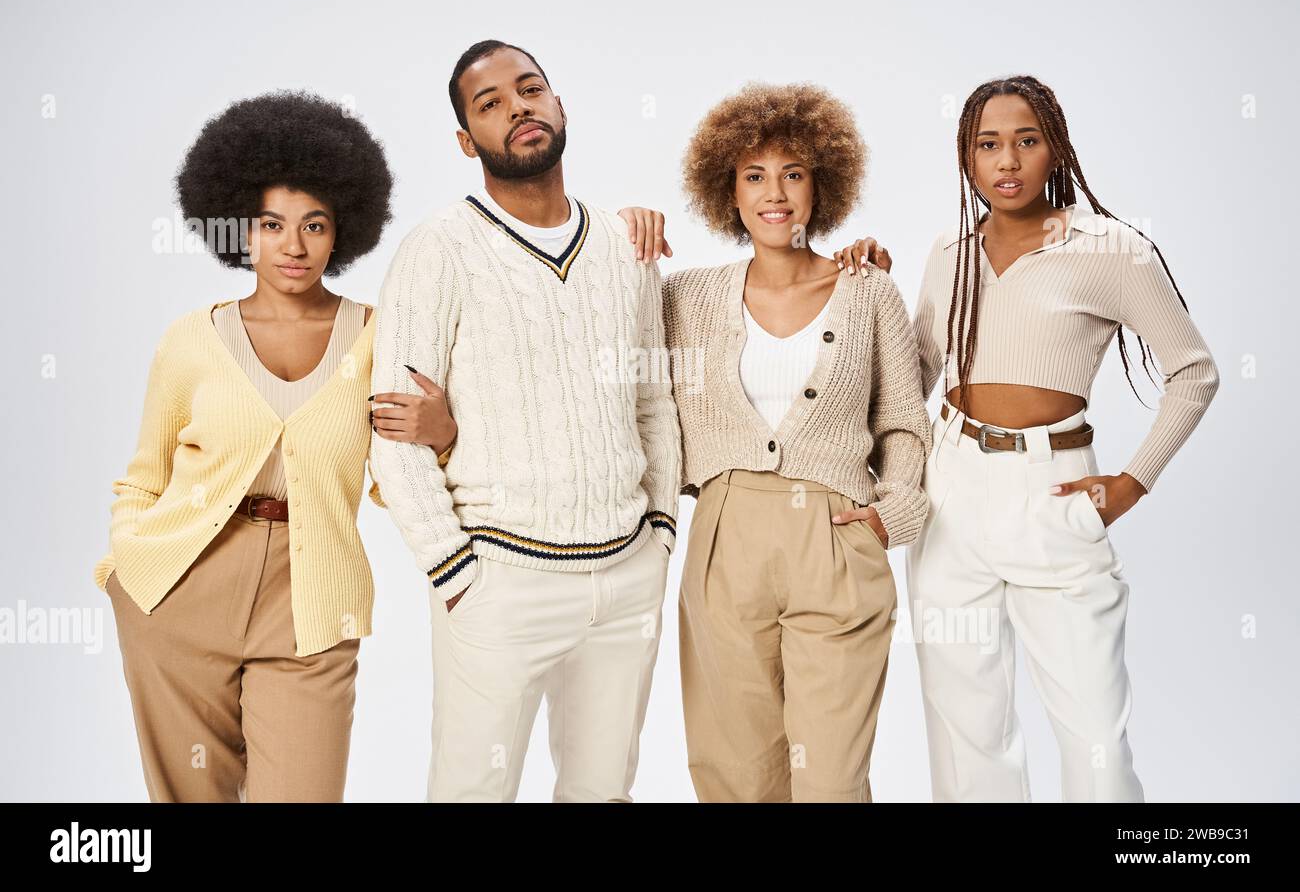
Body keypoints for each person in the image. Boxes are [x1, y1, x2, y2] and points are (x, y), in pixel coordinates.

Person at [836, 75, 1220, 802]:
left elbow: (1193, 373)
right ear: (968, 160)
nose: (1006, 160)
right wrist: (871, 293)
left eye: (1026, 140)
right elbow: (913, 372)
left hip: (1055, 492)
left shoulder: (1113, 249)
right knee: (966, 730)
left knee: (1096, 737)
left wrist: (1131, 483)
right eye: (988, 144)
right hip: (950, 491)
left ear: (1056, 151)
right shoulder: (950, 252)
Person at [93, 90, 454, 802]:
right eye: (271, 224)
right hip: (178, 593)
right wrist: (124, 570)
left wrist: (442, 436)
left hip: (312, 602)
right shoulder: (191, 340)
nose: (293, 246)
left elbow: (396, 475)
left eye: (314, 225)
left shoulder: (379, 337)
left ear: (342, 229)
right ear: (238, 229)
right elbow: (143, 477)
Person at [368, 39, 682, 803]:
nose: (519, 109)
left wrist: (662, 530)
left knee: (602, 790)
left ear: (560, 104)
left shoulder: (624, 245)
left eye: (530, 89)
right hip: (501, 579)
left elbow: (652, 398)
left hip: (625, 574)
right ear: (465, 140)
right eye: (492, 104)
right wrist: (453, 567)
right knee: (472, 791)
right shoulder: (438, 249)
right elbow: (395, 429)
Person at [661, 82, 932, 802]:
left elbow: (903, 419)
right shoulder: (684, 298)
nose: (774, 193)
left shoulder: (867, 291)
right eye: (754, 176)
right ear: (729, 190)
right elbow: (610, 368)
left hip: (837, 537)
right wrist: (623, 233)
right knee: (736, 776)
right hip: (725, 540)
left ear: (821, 185)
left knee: (831, 782)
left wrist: (891, 512)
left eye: (793, 173)